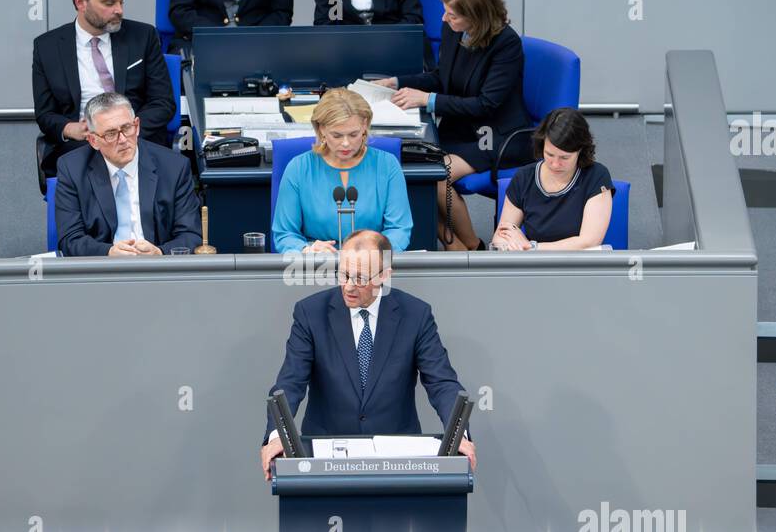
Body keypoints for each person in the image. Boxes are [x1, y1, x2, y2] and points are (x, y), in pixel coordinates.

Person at [260, 230, 476, 478]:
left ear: (385, 275)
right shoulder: (310, 313)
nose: (349, 286)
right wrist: (278, 436)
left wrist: (459, 434)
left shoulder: (416, 315)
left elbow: (441, 383)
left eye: (360, 278)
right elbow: (290, 382)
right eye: (343, 274)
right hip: (326, 453)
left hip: (396, 457)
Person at [376, 0, 527, 251]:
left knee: (434, 174)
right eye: (445, 11)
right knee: (408, 172)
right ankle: (459, 245)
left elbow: (486, 104)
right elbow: (441, 76)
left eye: (452, 15)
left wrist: (428, 100)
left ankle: (472, 246)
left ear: (476, 17)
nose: (444, 20)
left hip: (492, 135)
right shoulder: (454, 30)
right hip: (459, 127)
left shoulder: (506, 44)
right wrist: (397, 82)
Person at [32, 0, 175, 183]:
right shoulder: (48, 47)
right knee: (86, 176)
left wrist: (124, 133)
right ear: (81, 2)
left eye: (121, 1)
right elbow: (45, 114)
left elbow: (163, 103)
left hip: (137, 139)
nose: (119, 10)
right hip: (82, 143)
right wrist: (70, 128)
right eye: (109, 3)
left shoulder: (142, 36)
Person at [54, 93, 199, 257]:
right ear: (93, 140)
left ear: (136, 126)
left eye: (126, 128)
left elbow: (191, 235)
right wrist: (108, 253)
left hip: (158, 270)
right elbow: (70, 239)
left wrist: (160, 253)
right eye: (110, 134)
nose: (122, 139)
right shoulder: (72, 168)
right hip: (103, 273)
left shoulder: (174, 166)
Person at [271, 89, 412, 254]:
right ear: (321, 129)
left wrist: (374, 252)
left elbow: (399, 230)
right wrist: (307, 249)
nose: (346, 143)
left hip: (371, 266)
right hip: (317, 266)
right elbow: (284, 234)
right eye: (337, 135)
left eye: (353, 134)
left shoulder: (387, 165)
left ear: (365, 125)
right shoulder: (298, 168)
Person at [491, 108, 615, 251]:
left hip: (578, 265)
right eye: (549, 154)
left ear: (580, 150)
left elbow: (589, 241)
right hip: (535, 266)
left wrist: (531, 247)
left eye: (564, 157)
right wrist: (510, 244)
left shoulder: (597, 176)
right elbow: (501, 236)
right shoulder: (524, 177)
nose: (555, 164)